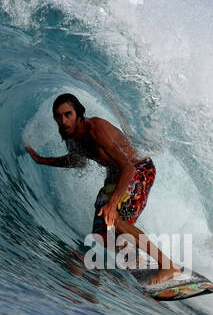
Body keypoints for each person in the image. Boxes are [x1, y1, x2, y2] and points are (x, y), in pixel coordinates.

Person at [26, 93, 187, 287]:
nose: (63, 120)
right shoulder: (71, 136)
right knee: (100, 234)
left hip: (139, 171)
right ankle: (131, 260)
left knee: (116, 221)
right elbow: (77, 161)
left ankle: (167, 265)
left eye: (68, 114)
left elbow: (129, 167)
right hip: (115, 178)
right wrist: (42, 160)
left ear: (79, 113)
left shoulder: (97, 129)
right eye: (59, 117)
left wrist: (112, 204)